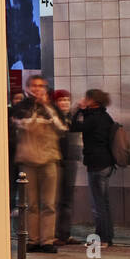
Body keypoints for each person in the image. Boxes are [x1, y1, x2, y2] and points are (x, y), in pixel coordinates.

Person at [10, 74, 66, 252]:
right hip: (27, 160)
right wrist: (35, 112)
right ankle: (32, 240)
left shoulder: (52, 108)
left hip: (49, 159)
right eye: (34, 85)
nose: (37, 89)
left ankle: (47, 240)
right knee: (30, 204)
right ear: (27, 88)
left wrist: (47, 107)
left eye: (41, 86)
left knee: (49, 204)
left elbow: (63, 129)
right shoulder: (20, 107)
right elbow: (19, 125)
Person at [70, 89, 115, 247]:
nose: (83, 99)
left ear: (93, 101)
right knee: (104, 203)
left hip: (97, 164)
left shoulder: (94, 118)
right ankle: (108, 237)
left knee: (98, 204)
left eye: (86, 98)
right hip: (107, 163)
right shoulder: (105, 116)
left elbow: (73, 126)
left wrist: (78, 110)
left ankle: (102, 239)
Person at [52, 89, 79, 245]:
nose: (64, 103)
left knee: (68, 199)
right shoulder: (53, 118)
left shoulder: (72, 118)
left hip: (70, 161)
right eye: (61, 100)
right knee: (55, 199)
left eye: (67, 100)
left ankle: (65, 233)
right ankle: (53, 234)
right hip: (56, 161)